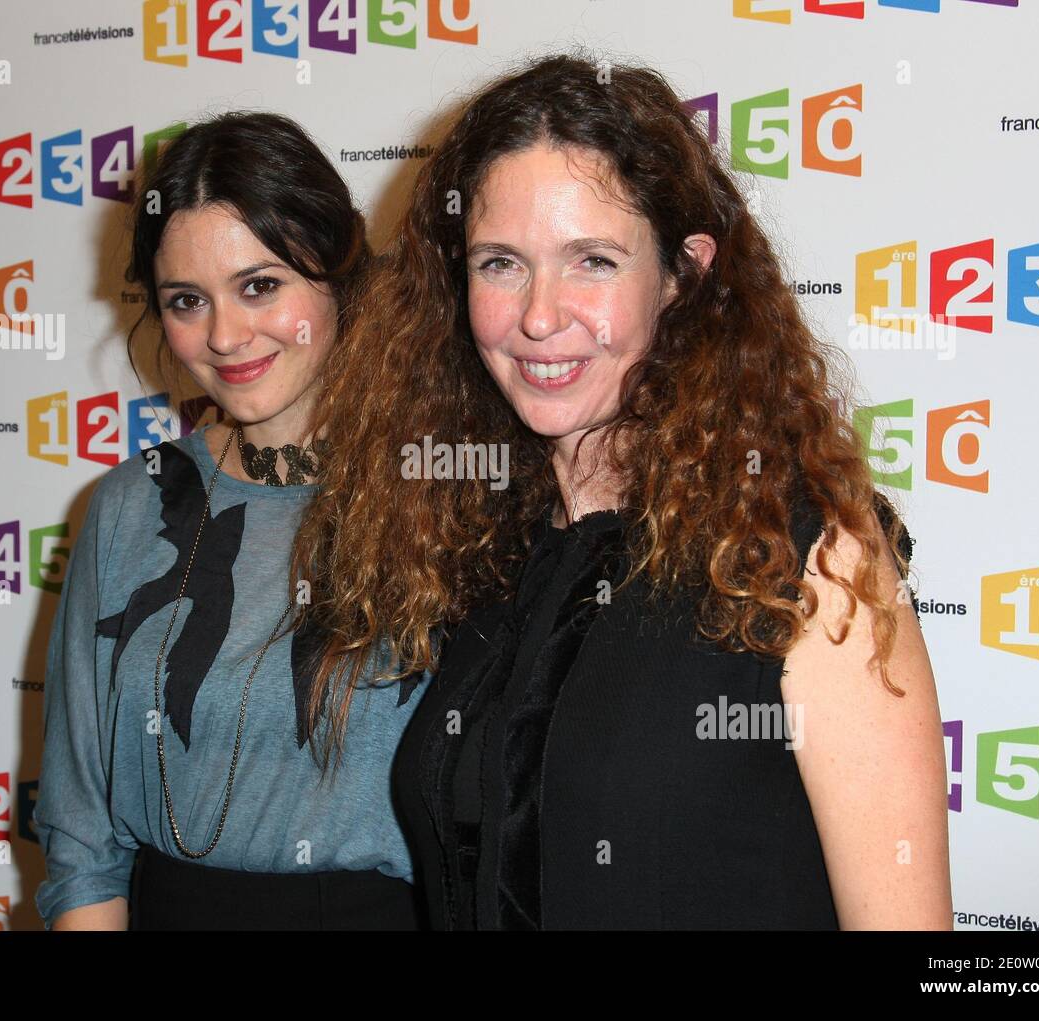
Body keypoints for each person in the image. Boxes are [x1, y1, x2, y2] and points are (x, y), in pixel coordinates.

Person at [291, 53, 954, 929]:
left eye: (592, 260)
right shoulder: (480, 550)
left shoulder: (808, 553)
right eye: (500, 263)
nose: (538, 313)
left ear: (684, 275)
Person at [32, 111, 427, 930]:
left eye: (260, 285)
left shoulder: (442, 499)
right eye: (187, 300)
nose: (224, 335)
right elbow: (81, 842)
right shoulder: (130, 505)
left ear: (338, 273)